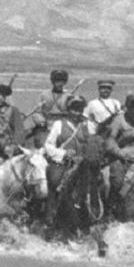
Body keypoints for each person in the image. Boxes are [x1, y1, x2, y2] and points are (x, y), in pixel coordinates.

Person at [44, 95, 93, 224]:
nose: (77, 112)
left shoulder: (86, 124)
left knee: (96, 184)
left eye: (79, 109)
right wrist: (64, 153)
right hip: (63, 162)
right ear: (69, 109)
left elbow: (91, 143)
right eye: (74, 109)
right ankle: (51, 216)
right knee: (55, 182)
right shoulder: (59, 124)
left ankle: (94, 216)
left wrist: (85, 156)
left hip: (81, 163)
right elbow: (49, 145)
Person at [29, 69, 71, 148]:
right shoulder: (44, 95)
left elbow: (71, 113)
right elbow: (37, 111)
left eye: (62, 81)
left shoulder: (68, 96)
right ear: (53, 82)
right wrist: (41, 121)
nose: (59, 84)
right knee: (41, 143)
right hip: (46, 125)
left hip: (62, 125)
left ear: (65, 82)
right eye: (57, 81)